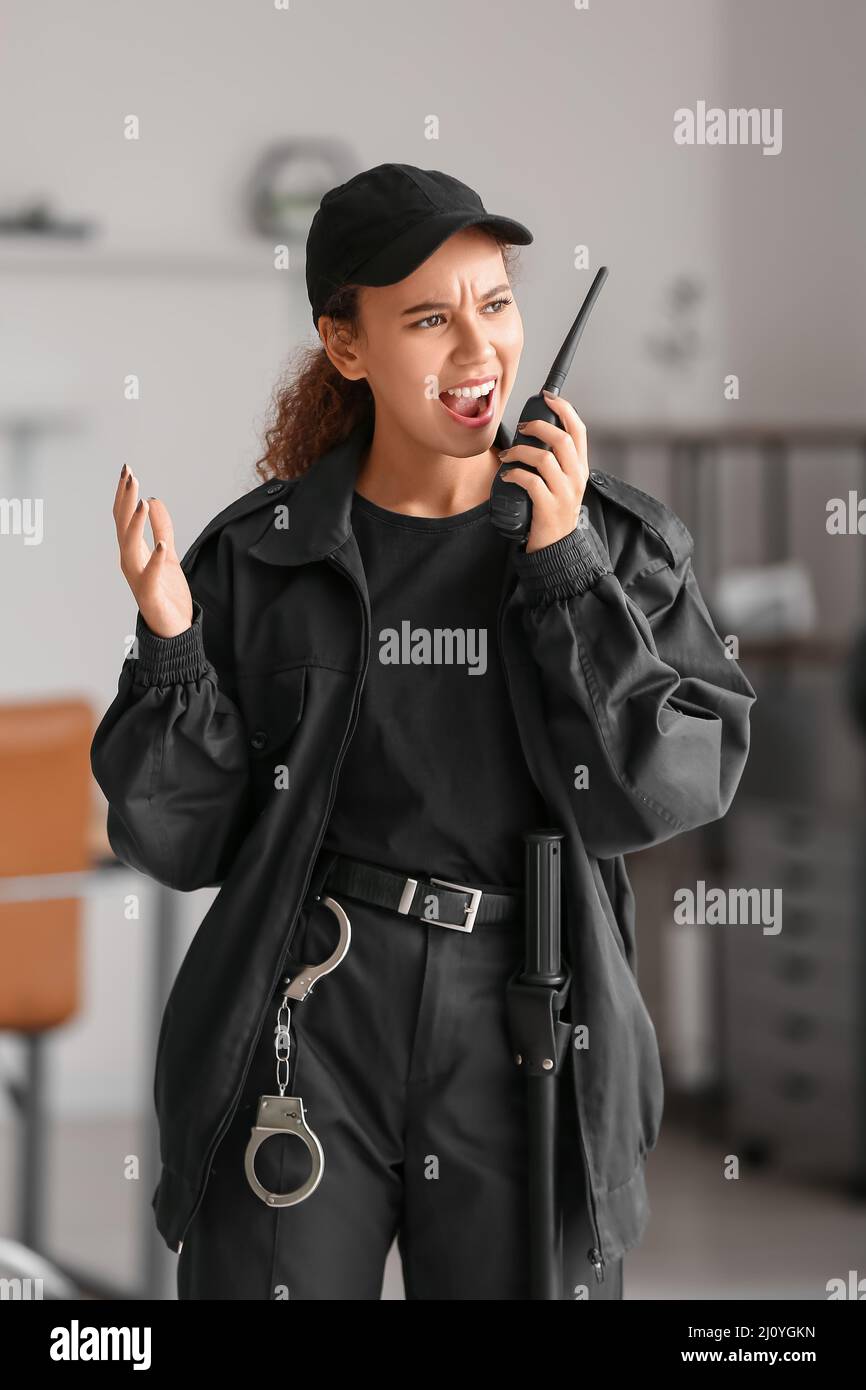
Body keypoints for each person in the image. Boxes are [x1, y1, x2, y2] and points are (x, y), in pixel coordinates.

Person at [91, 163, 755, 1300]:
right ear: (345, 346)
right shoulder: (261, 555)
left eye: (494, 305)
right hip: (312, 1005)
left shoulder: (616, 546)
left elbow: (668, 788)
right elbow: (182, 843)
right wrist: (170, 644)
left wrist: (565, 573)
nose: (476, 351)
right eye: (428, 319)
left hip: (530, 1011)